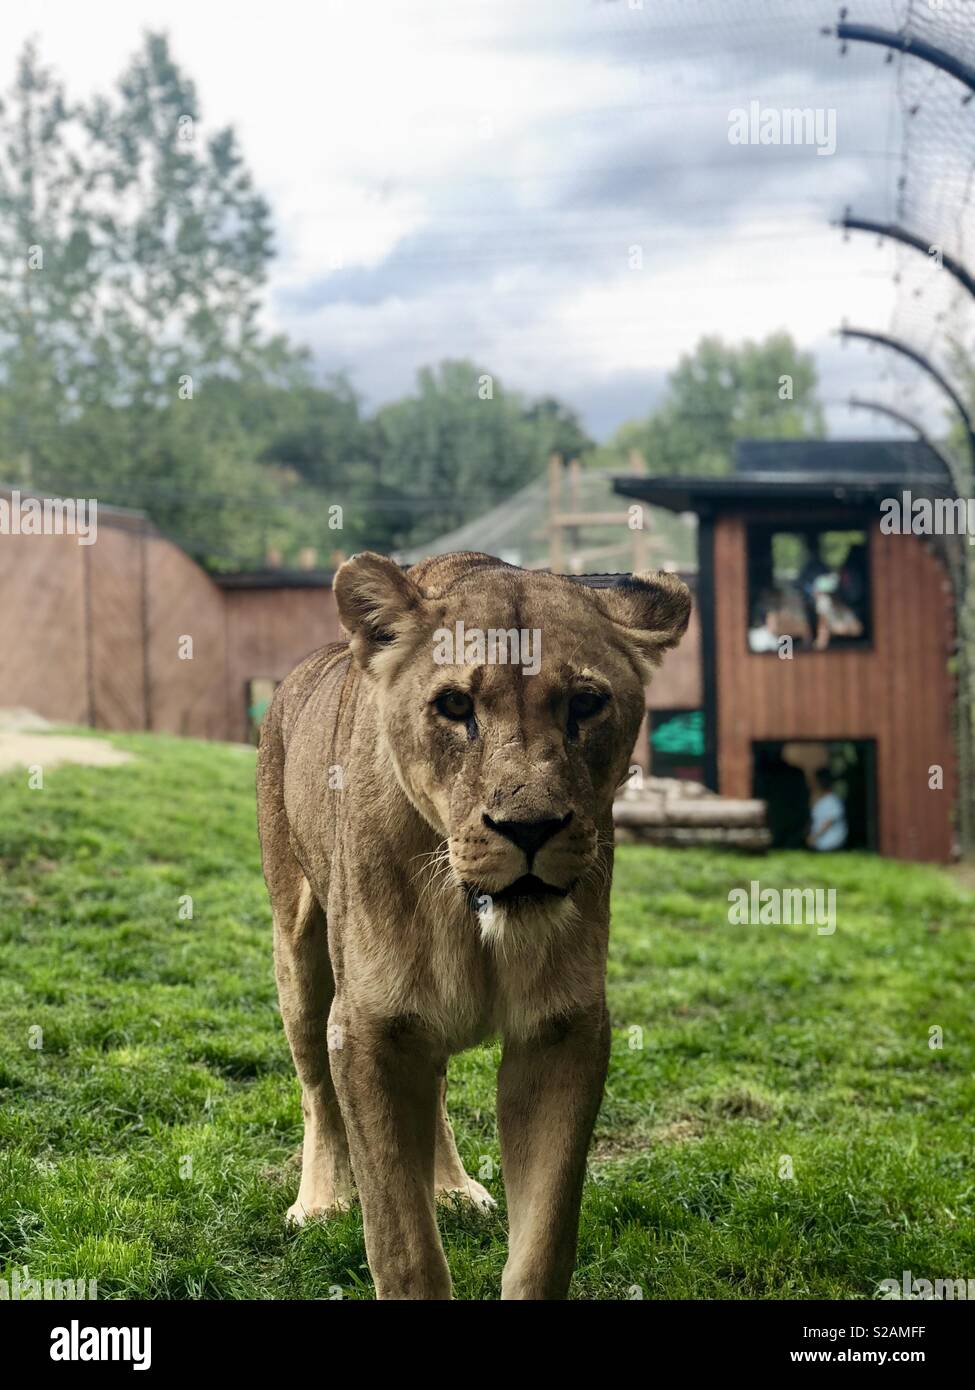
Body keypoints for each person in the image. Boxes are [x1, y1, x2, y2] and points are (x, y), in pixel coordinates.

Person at [807, 768, 848, 851]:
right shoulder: (822, 800)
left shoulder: (832, 800)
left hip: (832, 845)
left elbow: (828, 822)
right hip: (822, 844)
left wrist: (814, 837)